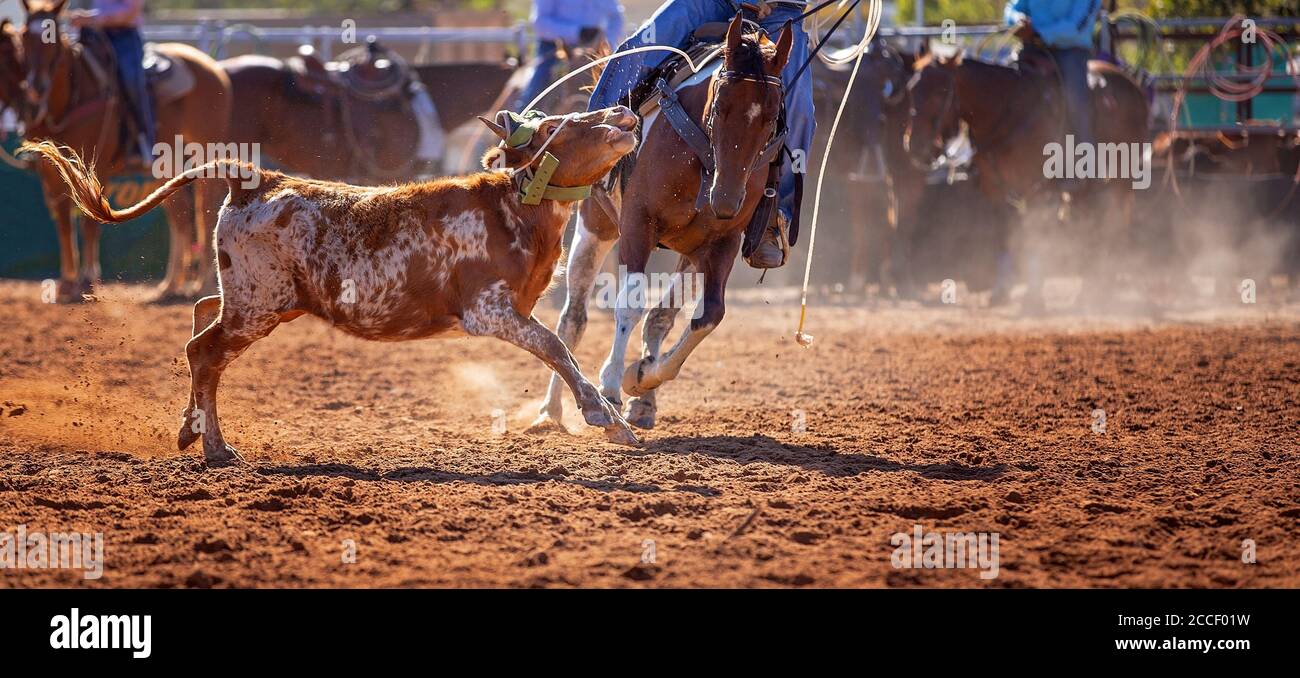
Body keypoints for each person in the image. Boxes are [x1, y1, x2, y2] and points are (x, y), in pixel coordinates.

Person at [589, 0, 813, 269]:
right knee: (638, 53)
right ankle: (590, 143)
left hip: (782, 11)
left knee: (800, 112)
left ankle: (773, 219)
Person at [1004, 0, 1099, 148]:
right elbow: (1013, 8)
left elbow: (1077, 26)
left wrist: (1038, 32)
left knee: (1075, 101)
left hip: (1070, 51)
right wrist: (1017, 19)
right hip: (1032, 48)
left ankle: (1084, 155)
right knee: (1002, 86)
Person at [68, 0, 154, 163]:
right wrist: (87, 18)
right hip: (96, 36)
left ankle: (144, 141)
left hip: (124, 37)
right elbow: (103, 9)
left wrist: (89, 19)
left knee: (131, 81)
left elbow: (130, 13)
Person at [514, 0, 626, 112]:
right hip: (554, 45)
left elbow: (616, 17)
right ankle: (522, 119)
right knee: (540, 81)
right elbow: (540, 22)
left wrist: (606, 41)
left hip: (595, 48)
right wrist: (576, 32)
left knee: (618, 79)